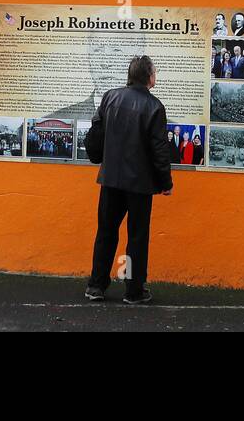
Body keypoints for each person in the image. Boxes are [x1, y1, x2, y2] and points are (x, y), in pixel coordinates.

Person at [84, 55, 175, 304]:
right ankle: (133, 290)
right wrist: (165, 183)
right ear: (148, 77)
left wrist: (100, 160)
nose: (156, 76)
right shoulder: (154, 107)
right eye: (155, 72)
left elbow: (96, 134)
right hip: (139, 184)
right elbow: (159, 149)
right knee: (136, 237)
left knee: (106, 231)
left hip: (111, 179)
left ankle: (96, 285)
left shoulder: (110, 97)